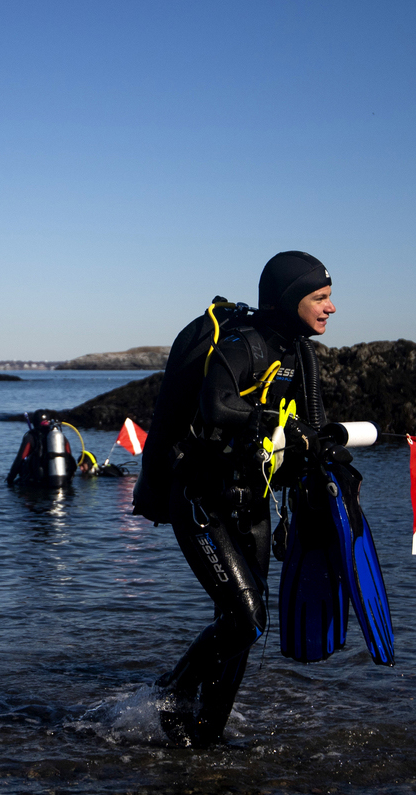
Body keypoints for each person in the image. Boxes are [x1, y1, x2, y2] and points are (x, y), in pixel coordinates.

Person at [152, 251, 353, 746]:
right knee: (247, 615)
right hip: (202, 498)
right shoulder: (247, 345)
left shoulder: (301, 355)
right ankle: (171, 693)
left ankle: (206, 735)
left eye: (330, 298)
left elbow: (312, 427)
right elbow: (215, 403)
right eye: (320, 298)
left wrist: (335, 465)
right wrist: (264, 422)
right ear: (290, 299)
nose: (331, 308)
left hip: (254, 503)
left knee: (245, 628)